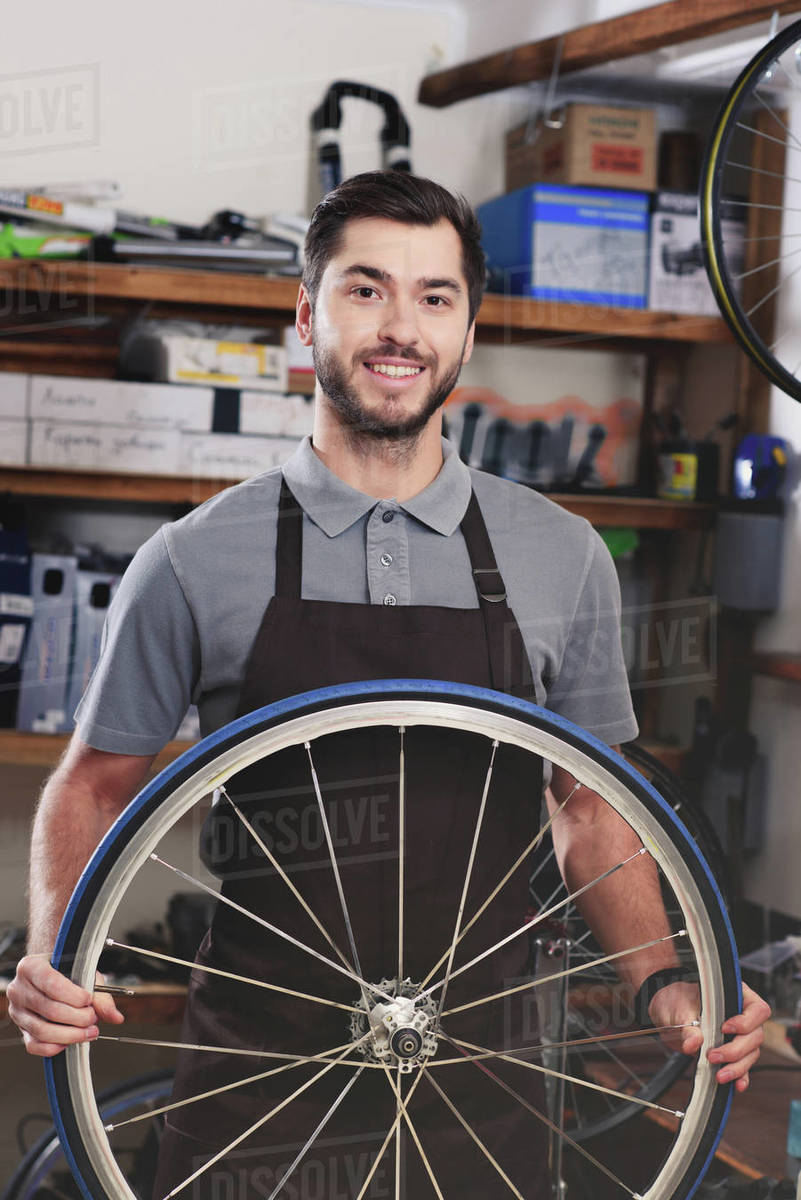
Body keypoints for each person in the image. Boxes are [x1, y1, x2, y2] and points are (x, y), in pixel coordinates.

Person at [9, 171, 769, 1197]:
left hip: (485, 1076)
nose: (400, 328)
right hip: (259, 1076)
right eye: (366, 290)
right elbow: (94, 784)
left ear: (468, 329)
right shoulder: (196, 558)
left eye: (434, 297)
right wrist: (57, 961)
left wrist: (664, 982)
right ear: (307, 312)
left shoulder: (562, 556)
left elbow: (591, 805)